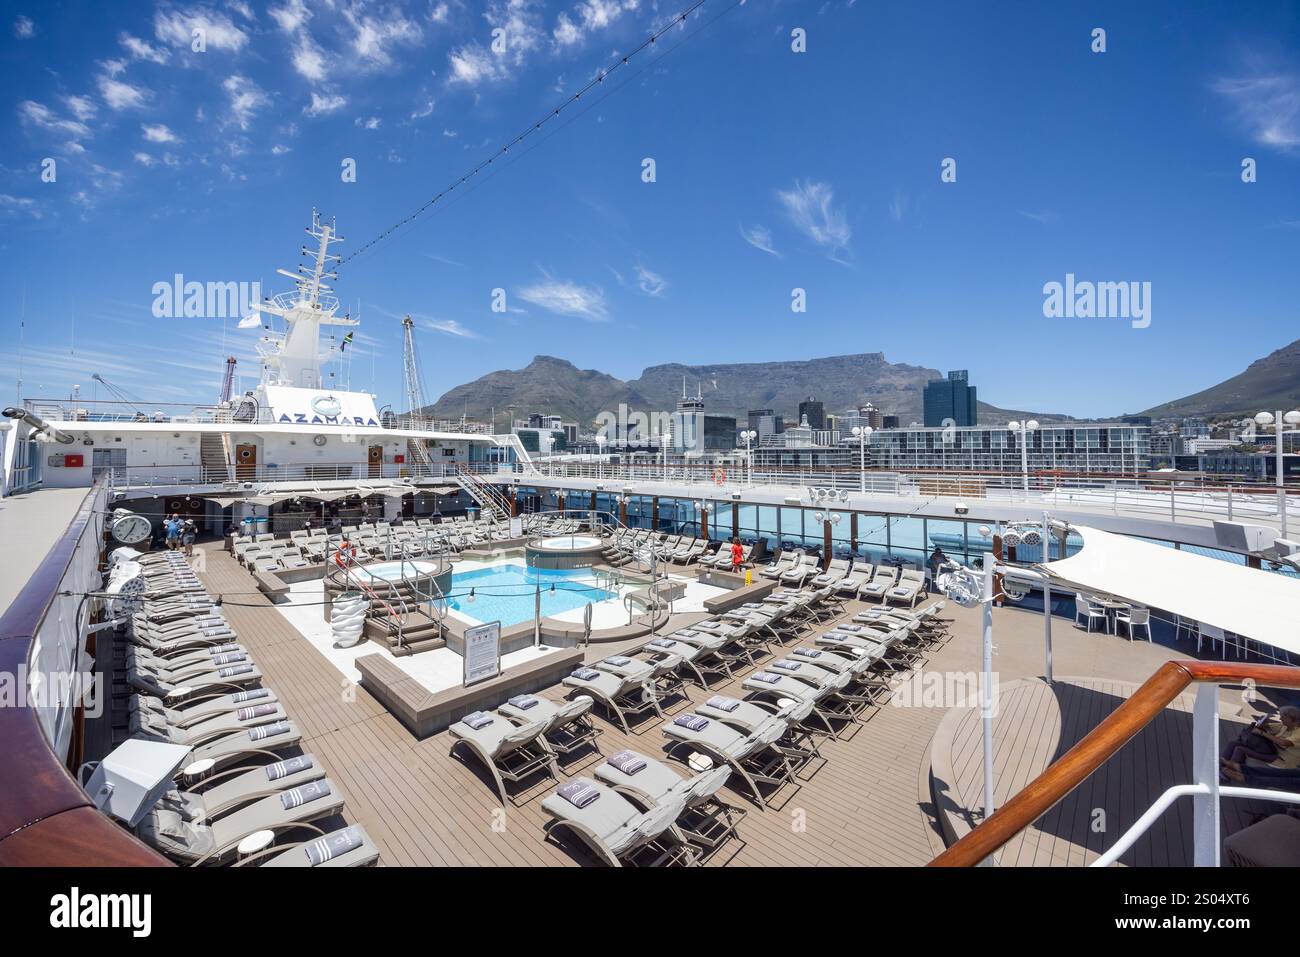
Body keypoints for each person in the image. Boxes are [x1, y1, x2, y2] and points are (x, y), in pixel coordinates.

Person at [1222, 706, 1300, 773]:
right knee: (1233, 743)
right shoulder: (1284, 725)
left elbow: (1283, 743)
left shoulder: (1298, 732)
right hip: (1271, 750)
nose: (1280, 718)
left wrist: (1262, 733)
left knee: (1240, 749)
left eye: (1283, 717)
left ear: (1292, 719)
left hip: (1283, 760)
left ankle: (1227, 773)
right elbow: (1267, 727)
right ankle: (1221, 766)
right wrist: (1263, 722)